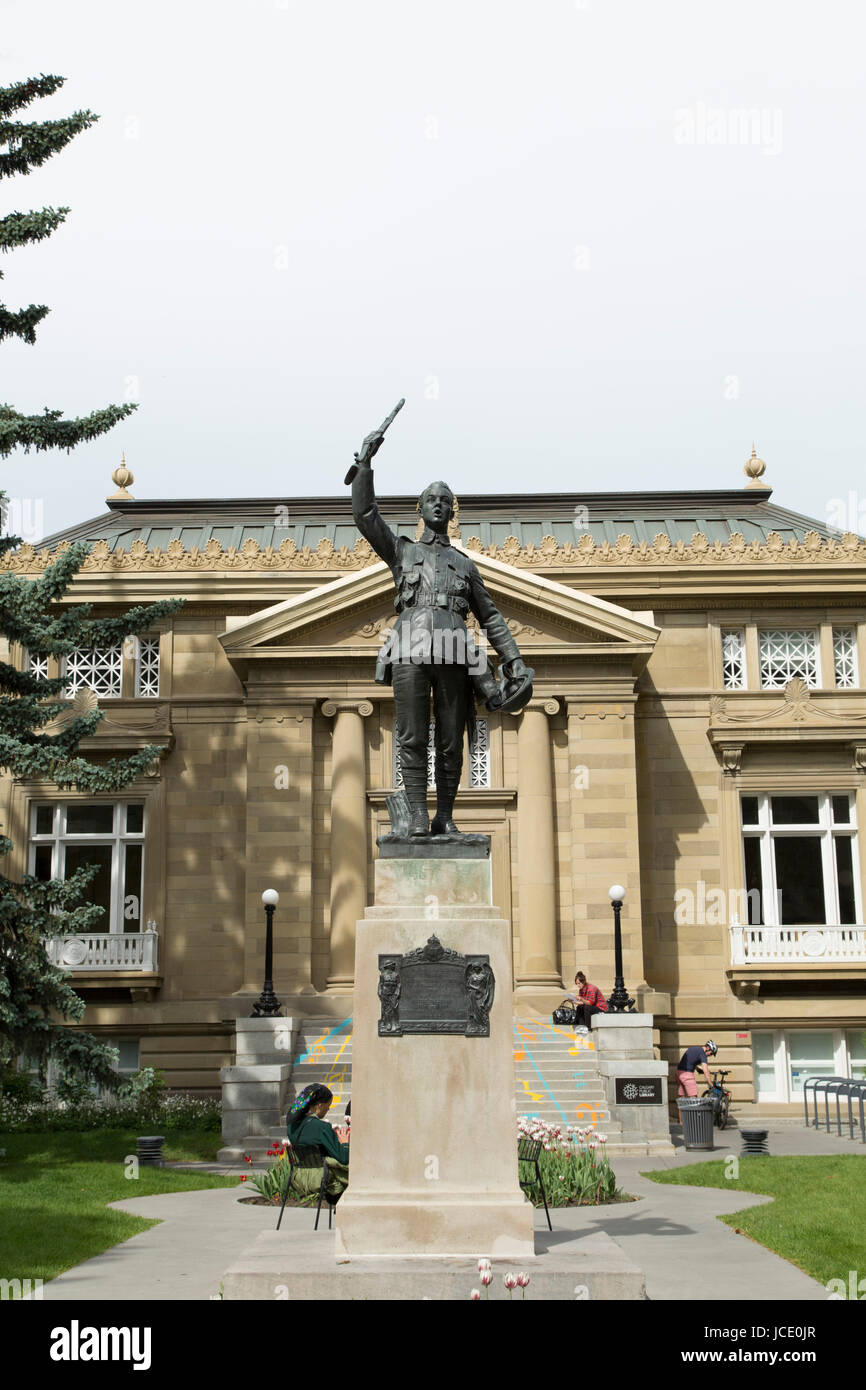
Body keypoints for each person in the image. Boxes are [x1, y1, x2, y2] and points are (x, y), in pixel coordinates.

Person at [350, 437, 533, 838]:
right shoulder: (401, 552)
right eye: (431, 498)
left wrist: (513, 659)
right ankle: (418, 813)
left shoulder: (464, 566)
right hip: (410, 651)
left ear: (452, 511)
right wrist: (364, 467)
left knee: (452, 739)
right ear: (420, 509)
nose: (438, 503)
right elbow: (365, 515)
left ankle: (444, 816)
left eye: (445, 500)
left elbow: (490, 616)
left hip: (455, 654)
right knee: (412, 735)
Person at [286, 1084, 350, 1199]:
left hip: (299, 1178)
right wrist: (344, 1142)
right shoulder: (322, 1127)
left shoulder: (291, 1127)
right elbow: (344, 1158)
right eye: (328, 1105)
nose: (328, 1109)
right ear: (319, 1105)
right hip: (322, 1179)